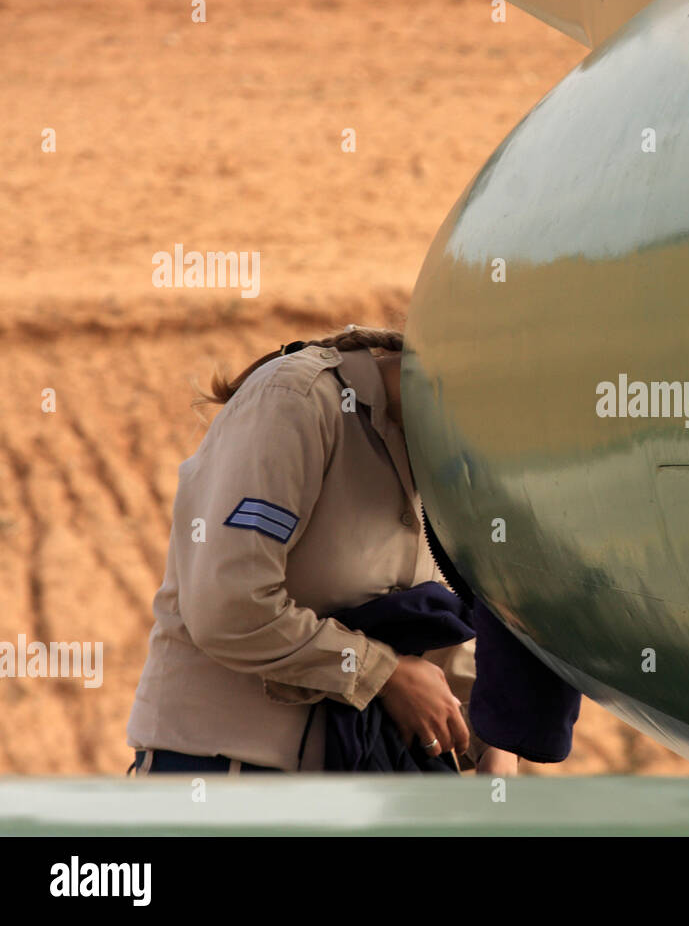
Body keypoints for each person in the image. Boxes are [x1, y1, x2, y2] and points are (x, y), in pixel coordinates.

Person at [126, 326, 517, 775]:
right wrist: (383, 675)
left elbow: (425, 627)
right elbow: (229, 606)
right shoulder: (297, 401)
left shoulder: (440, 453)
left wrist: (492, 743)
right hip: (223, 776)